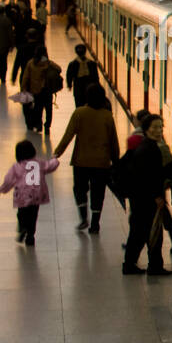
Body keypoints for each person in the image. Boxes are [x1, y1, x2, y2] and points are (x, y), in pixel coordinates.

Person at [53, 83, 119, 233]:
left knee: (80, 189)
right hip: (101, 162)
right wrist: (116, 161)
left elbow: (67, 136)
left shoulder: (79, 113)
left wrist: (57, 153)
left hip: (81, 161)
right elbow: (113, 141)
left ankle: (83, 218)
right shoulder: (107, 116)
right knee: (98, 192)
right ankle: (95, 224)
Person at [122, 113, 169, 276]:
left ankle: (147, 265)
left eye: (161, 127)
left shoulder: (146, 146)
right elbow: (148, 176)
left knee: (143, 232)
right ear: (146, 129)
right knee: (146, 233)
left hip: (140, 198)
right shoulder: (150, 149)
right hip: (146, 199)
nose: (159, 130)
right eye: (155, 127)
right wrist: (157, 196)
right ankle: (147, 266)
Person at [0, 140, 59, 247]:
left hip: (22, 195)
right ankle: (30, 236)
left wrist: (2, 189)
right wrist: (54, 159)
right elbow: (50, 166)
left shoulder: (16, 166)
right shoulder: (39, 163)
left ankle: (22, 227)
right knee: (33, 216)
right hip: (37, 195)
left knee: (22, 213)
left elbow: (9, 180)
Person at [18, 48, 59, 134]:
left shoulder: (31, 63)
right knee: (48, 109)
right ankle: (47, 125)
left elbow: (25, 77)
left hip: (36, 90)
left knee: (38, 108)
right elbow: (58, 68)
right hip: (47, 90)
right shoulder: (47, 63)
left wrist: (23, 89)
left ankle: (39, 124)